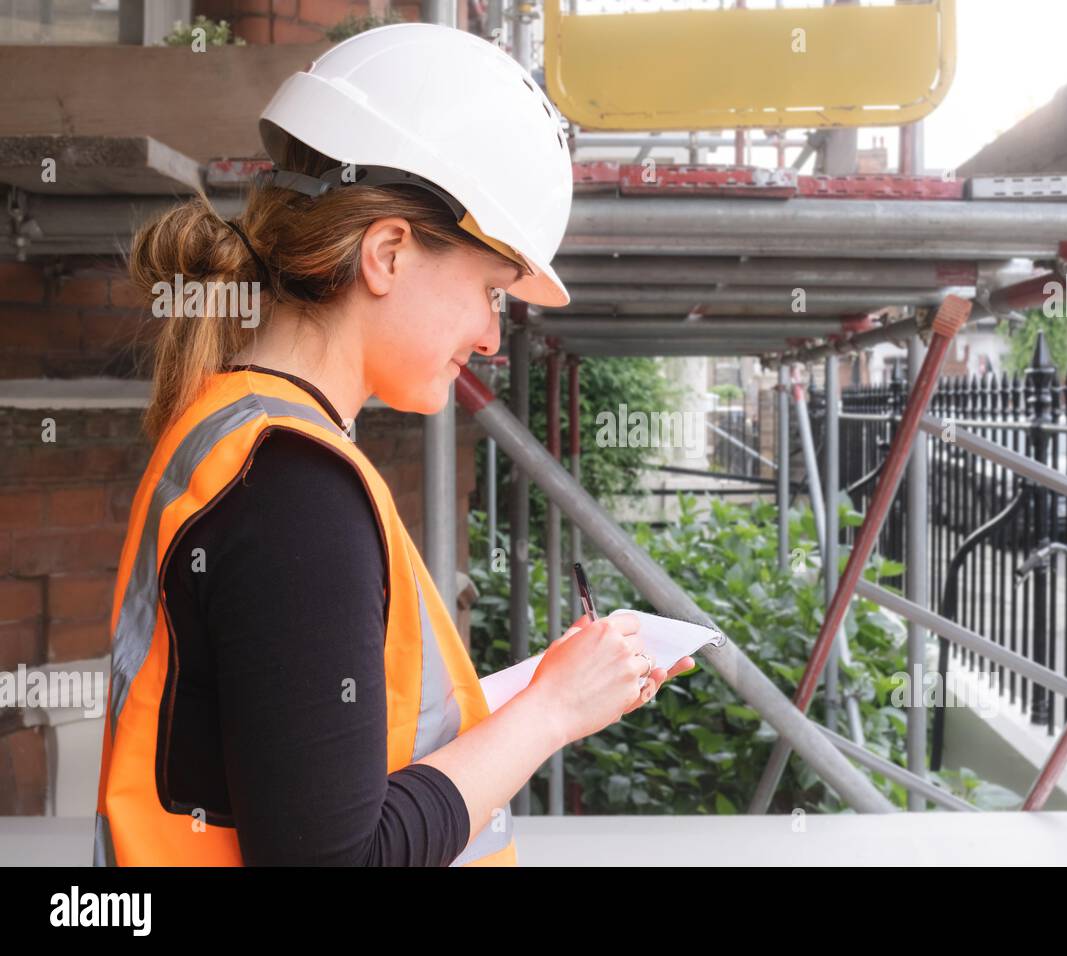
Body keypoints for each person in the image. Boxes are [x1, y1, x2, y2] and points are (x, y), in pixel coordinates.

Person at [93, 22, 693, 868]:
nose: (492, 335)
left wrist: (553, 687)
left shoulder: (246, 439)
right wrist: (548, 713)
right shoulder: (292, 491)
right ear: (387, 253)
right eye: (491, 290)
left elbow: (315, 754)